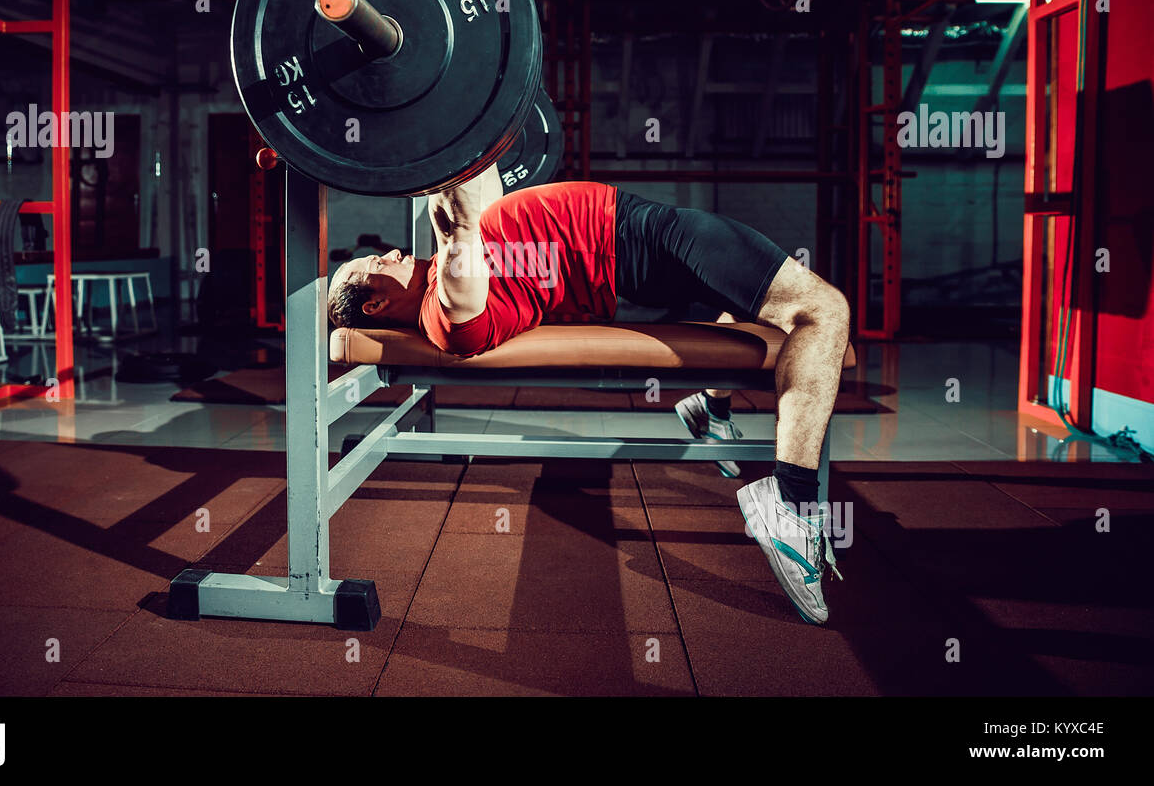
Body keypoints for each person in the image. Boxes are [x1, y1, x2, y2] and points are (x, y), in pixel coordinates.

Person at [327, 166, 851, 624]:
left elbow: (479, 185)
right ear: (372, 305)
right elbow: (461, 261)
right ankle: (791, 502)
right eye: (374, 264)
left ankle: (709, 408)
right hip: (635, 239)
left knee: (754, 299)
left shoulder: (439, 284)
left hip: (626, 240)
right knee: (822, 311)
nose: (390, 253)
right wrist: (455, 220)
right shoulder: (444, 309)